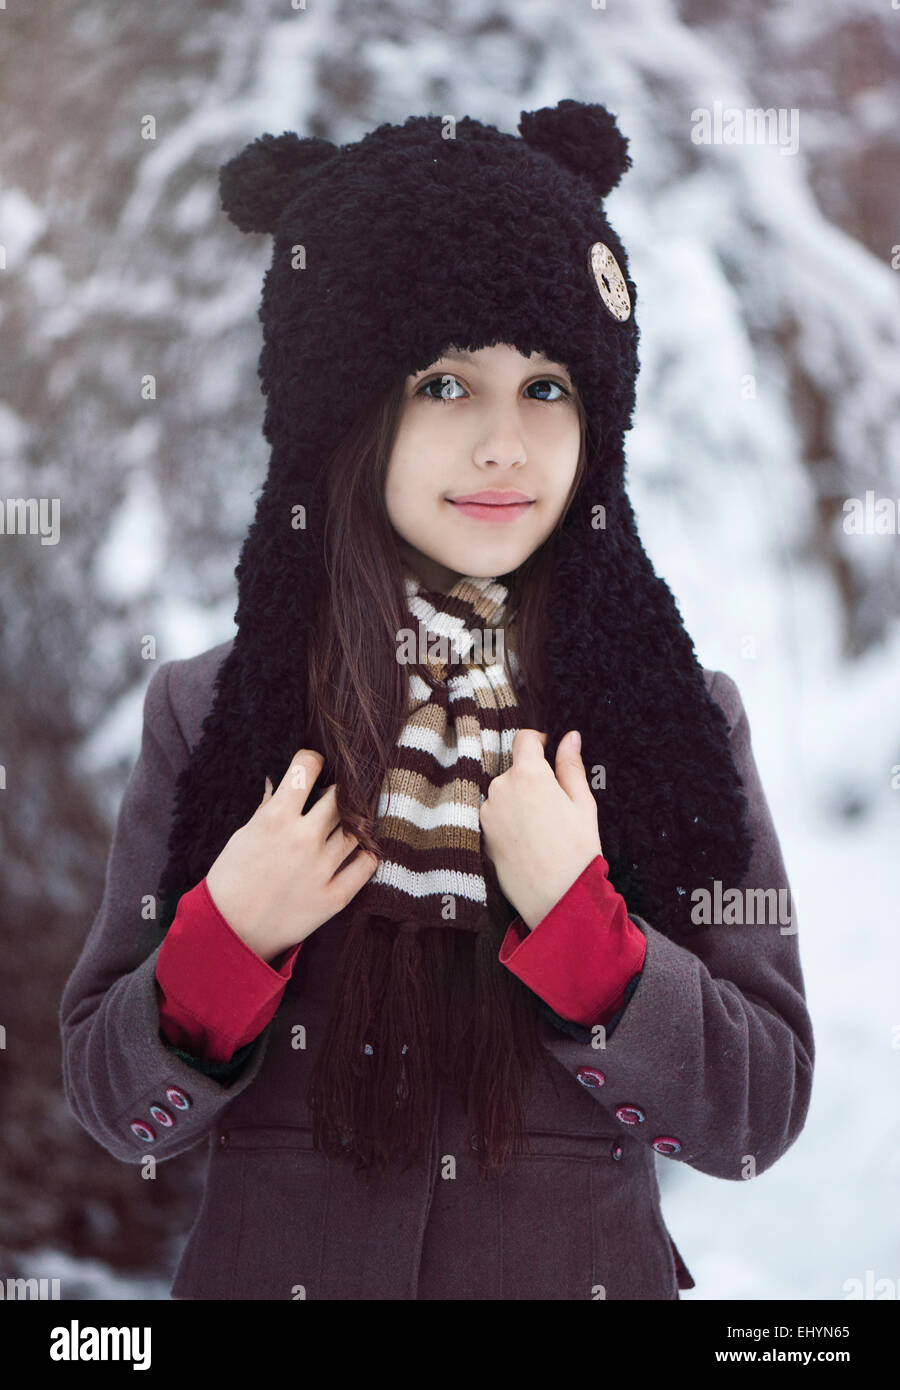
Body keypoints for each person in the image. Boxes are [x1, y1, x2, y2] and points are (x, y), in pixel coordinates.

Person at [59, 100, 814, 1300]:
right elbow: (119, 1109)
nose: (508, 445)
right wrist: (230, 932)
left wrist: (585, 925)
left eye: (549, 388)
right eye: (449, 385)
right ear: (345, 414)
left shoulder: (672, 722)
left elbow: (758, 1111)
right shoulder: (213, 716)